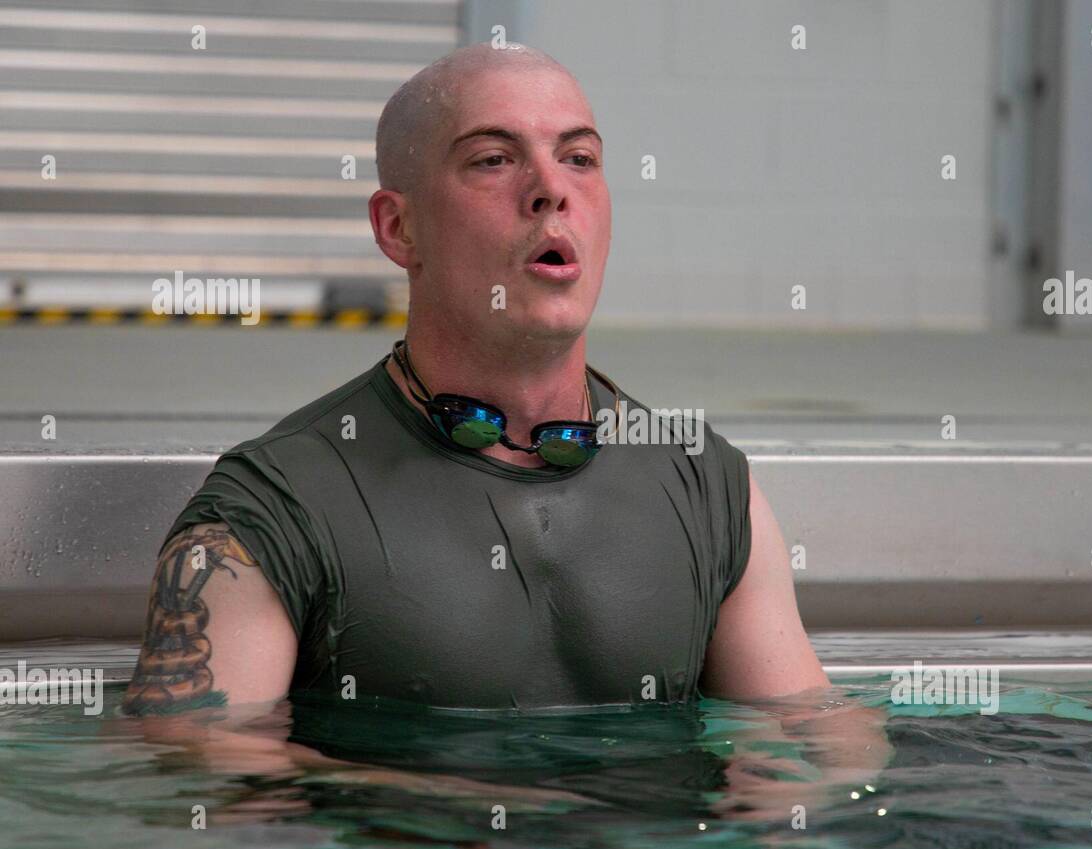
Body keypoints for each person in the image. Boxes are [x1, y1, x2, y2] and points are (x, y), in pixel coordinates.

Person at [123, 42, 827, 715]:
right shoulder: (271, 512)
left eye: (579, 158)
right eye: (494, 160)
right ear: (399, 229)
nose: (552, 189)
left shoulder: (708, 486)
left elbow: (810, 755)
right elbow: (208, 783)